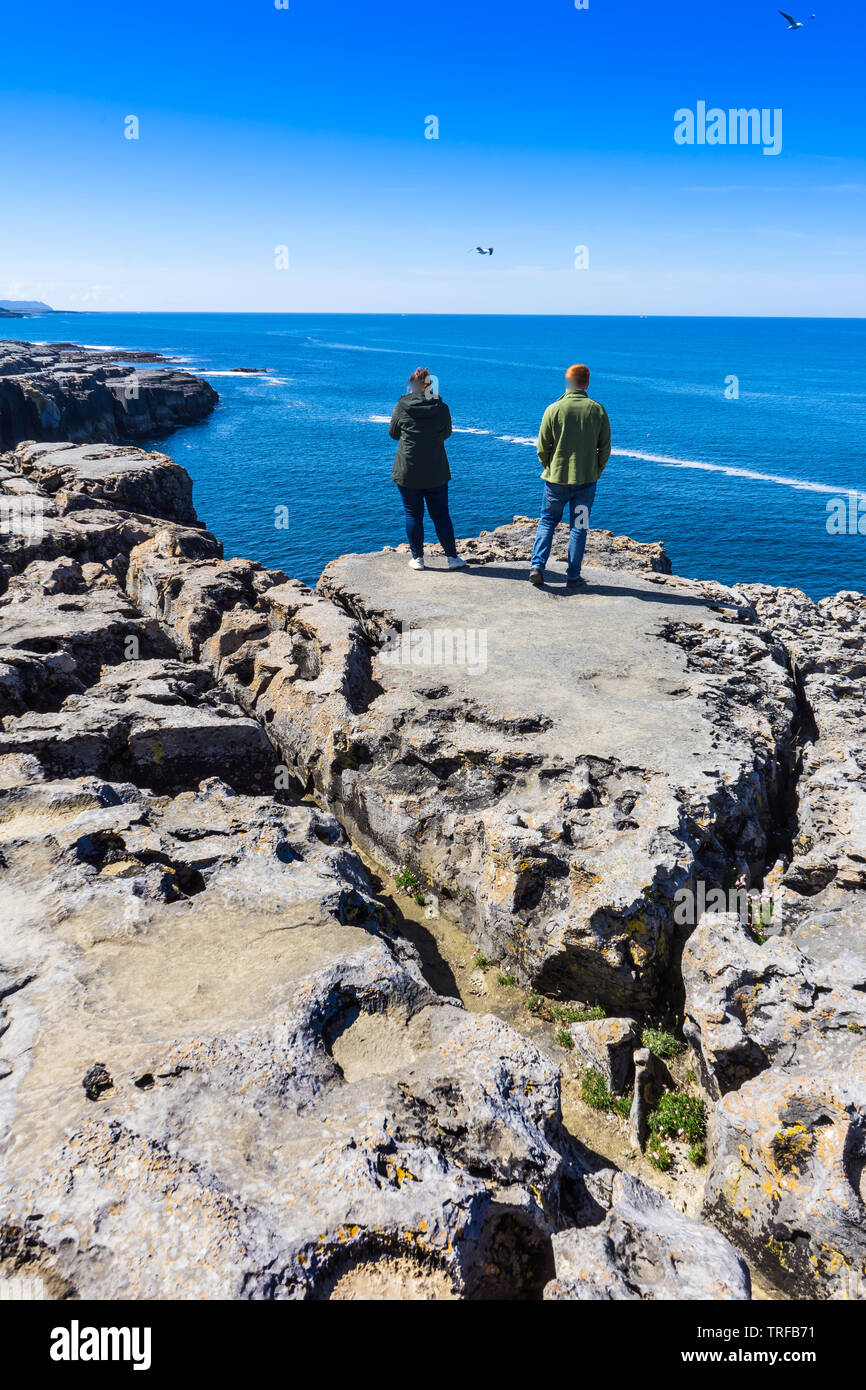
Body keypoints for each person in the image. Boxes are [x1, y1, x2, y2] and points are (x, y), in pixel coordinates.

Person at [529, 363, 611, 588]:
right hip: (586, 482)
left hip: (556, 481)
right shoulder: (597, 410)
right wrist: (596, 471)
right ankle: (573, 576)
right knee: (579, 526)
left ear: (567, 383)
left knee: (547, 522)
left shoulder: (553, 409)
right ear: (587, 383)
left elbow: (542, 447)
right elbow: (605, 448)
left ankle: (537, 566)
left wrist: (550, 466)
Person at [389, 367, 466, 571]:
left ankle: (418, 559)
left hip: (408, 469)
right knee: (441, 515)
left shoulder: (402, 406)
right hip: (436, 469)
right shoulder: (441, 407)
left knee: (413, 514)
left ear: (411, 386)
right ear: (430, 386)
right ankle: (452, 558)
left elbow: (393, 432)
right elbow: (446, 433)